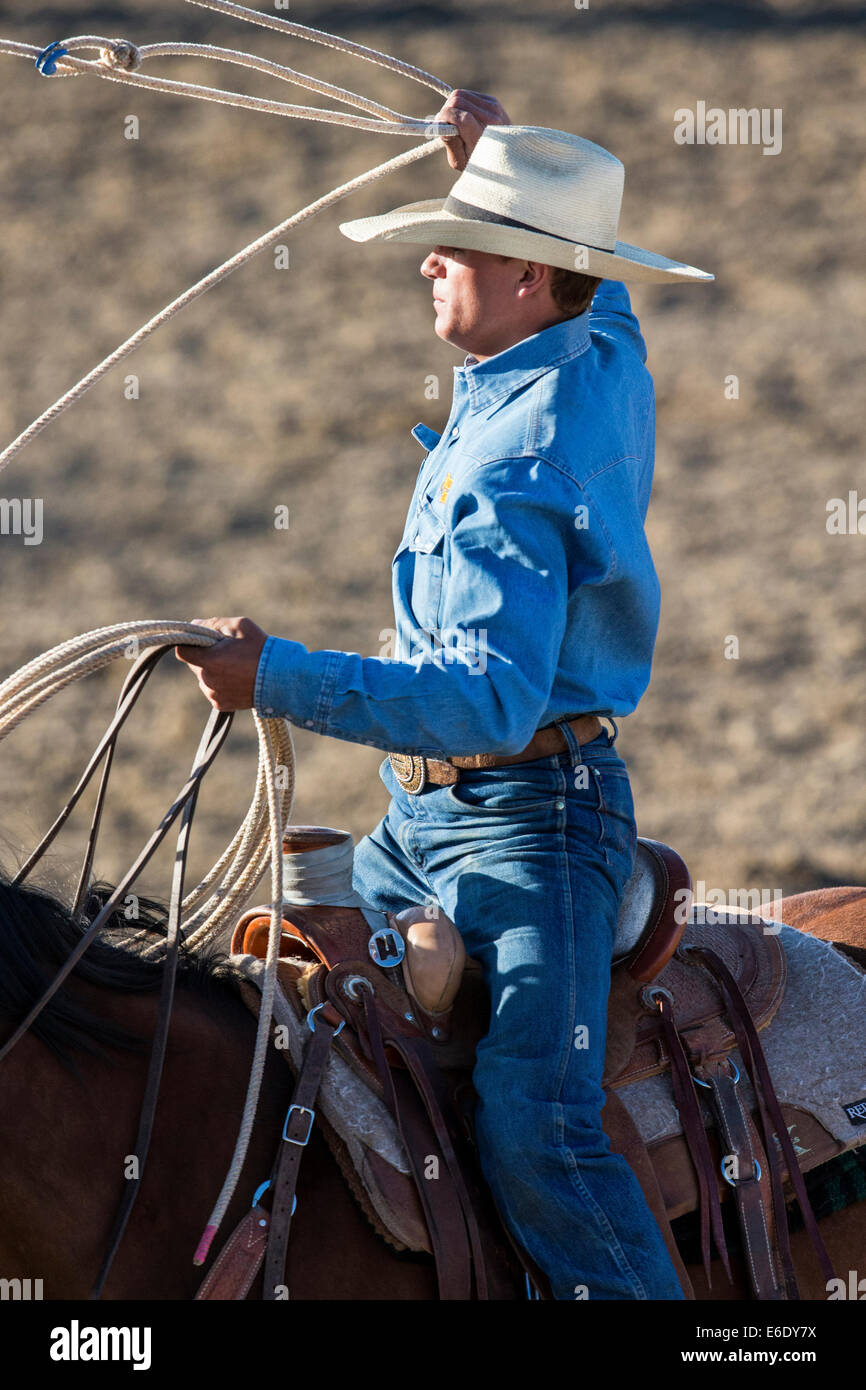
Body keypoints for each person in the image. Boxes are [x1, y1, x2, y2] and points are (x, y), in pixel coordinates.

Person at [176, 89, 712, 1299]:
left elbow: (484, 704)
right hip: (426, 822)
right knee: (278, 1009)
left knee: (537, 1128)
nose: (427, 261)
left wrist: (275, 678)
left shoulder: (516, 462)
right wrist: (493, 166)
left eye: (456, 245)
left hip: (531, 829)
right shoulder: (594, 354)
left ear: (528, 277)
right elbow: (607, 295)